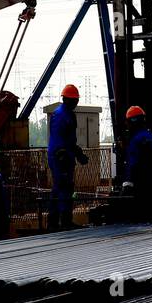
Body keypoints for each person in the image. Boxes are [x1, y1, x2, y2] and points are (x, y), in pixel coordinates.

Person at [48, 84, 89, 230]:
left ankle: (58, 221)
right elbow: (60, 139)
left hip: (65, 155)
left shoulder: (69, 114)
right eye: (74, 100)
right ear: (67, 100)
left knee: (62, 187)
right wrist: (63, 155)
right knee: (63, 187)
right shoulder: (60, 115)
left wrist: (78, 154)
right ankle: (60, 222)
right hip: (60, 157)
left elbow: (70, 140)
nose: (76, 103)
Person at [121, 104, 152, 216]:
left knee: (141, 211)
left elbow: (133, 162)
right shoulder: (151, 137)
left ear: (131, 122)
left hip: (141, 182)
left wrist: (128, 182)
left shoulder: (135, 140)